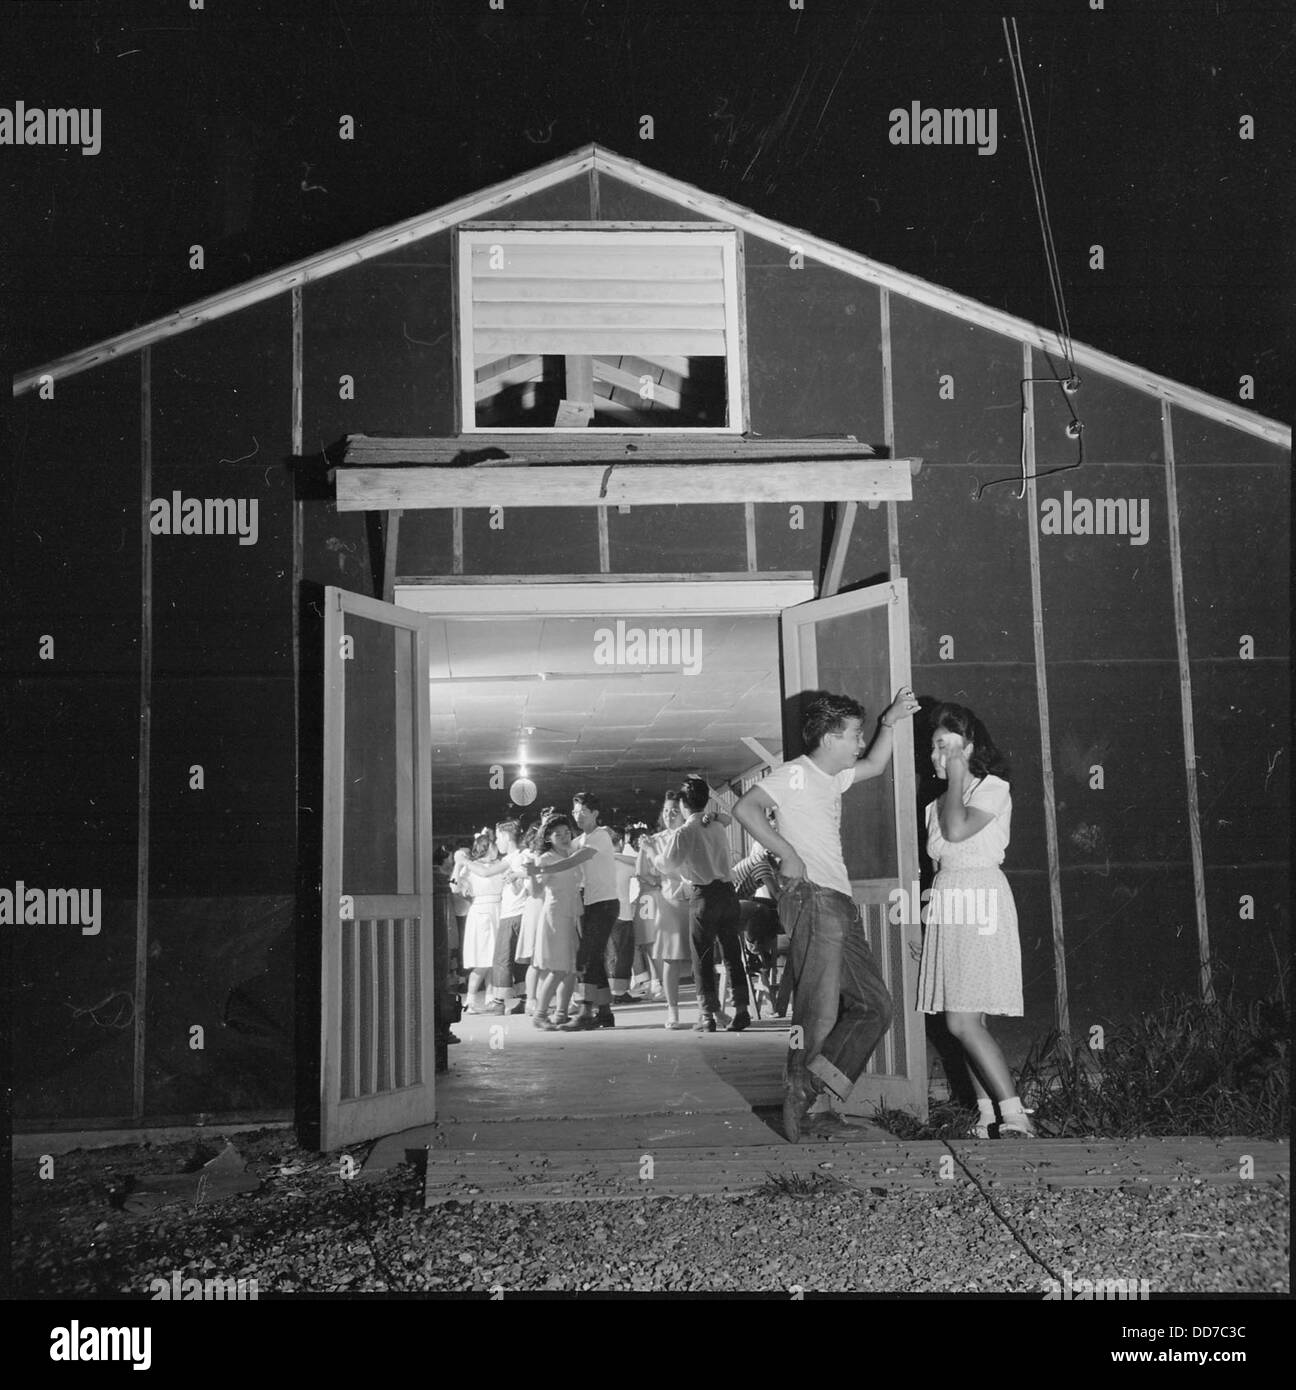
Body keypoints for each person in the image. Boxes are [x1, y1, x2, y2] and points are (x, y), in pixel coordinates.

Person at [733, 687, 920, 1143]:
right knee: (816, 1011)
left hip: (836, 900)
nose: (859, 743)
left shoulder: (829, 777)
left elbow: (875, 765)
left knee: (875, 1006)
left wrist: (889, 721)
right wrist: (787, 855)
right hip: (813, 896)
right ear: (830, 738)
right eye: (855, 734)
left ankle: (812, 1093)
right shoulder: (797, 773)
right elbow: (745, 807)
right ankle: (808, 1107)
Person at [918, 702, 1033, 1138]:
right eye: (932, 748)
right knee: (969, 1022)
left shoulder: (991, 789)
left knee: (960, 1022)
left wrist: (959, 776)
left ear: (968, 747)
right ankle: (988, 1116)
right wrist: (929, 922)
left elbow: (958, 832)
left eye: (944, 746)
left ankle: (1016, 1115)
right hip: (950, 904)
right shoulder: (935, 805)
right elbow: (938, 865)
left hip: (982, 900)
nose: (935, 757)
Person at [657, 775, 750, 1033]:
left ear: (684, 805)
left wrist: (654, 855)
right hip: (729, 894)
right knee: (732, 954)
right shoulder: (717, 826)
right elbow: (727, 820)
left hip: (703, 897)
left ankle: (707, 1015)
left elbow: (667, 864)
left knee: (703, 957)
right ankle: (742, 1010)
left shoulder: (683, 833)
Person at [534, 793, 621, 1031]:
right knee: (593, 958)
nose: (577, 816)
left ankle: (585, 1011)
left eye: (582, 811)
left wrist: (537, 869)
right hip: (588, 904)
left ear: (595, 813)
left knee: (586, 958)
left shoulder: (600, 836)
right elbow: (557, 847)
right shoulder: (579, 840)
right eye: (574, 812)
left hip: (605, 903)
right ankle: (604, 1012)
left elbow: (571, 862)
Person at [634, 793, 691, 1028]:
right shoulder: (654, 839)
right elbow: (642, 872)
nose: (669, 815)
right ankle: (673, 1012)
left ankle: (710, 1010)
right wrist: (657, 881)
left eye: (674, 811)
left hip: (694, 899)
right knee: (670, 958)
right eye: (666, 811)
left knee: (701, 957)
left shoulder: (690, 833)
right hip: (670, 902)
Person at [528, 812, 584, 1030]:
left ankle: (561, 1013)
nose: (563, 836)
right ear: (548, 837)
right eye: (557, 834)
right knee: (558, 968)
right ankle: (540, 1014)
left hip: (572, 915)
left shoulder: (572, 855)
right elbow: (535, 892)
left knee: (571, 968)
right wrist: (532, 873)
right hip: (555, 916)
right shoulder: (546, 859)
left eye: (566, 832)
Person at [456, 829, 505, 1014]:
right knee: (483, 960)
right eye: (493, 845)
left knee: (494, 959)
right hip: (482, 911)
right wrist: (459, 863)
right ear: (486, 847)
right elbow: (456, 886)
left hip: (498, 909)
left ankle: (491, 998)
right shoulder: (472, 867)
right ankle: (470, 1000)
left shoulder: (500, 864)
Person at [488, 819, 532, 1015]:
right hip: (521, 913)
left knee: (502, 958)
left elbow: (486, 872)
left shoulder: (512, 858)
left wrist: (463, 861)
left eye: (498, 837)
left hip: (512, 914)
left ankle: (499, 1001)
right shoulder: (523, 855)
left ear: (506, 836)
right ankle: (524, 998)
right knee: (520, 958)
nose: (497, 842)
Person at [606, 826, 639, 1003]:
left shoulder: (602, 862)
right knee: (622, 955)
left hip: (609, 912)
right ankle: (618, 993)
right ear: (619, 843)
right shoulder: (622, 864)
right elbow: (640, 864)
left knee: (614, 955)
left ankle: (617, 992)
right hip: (623, 913)